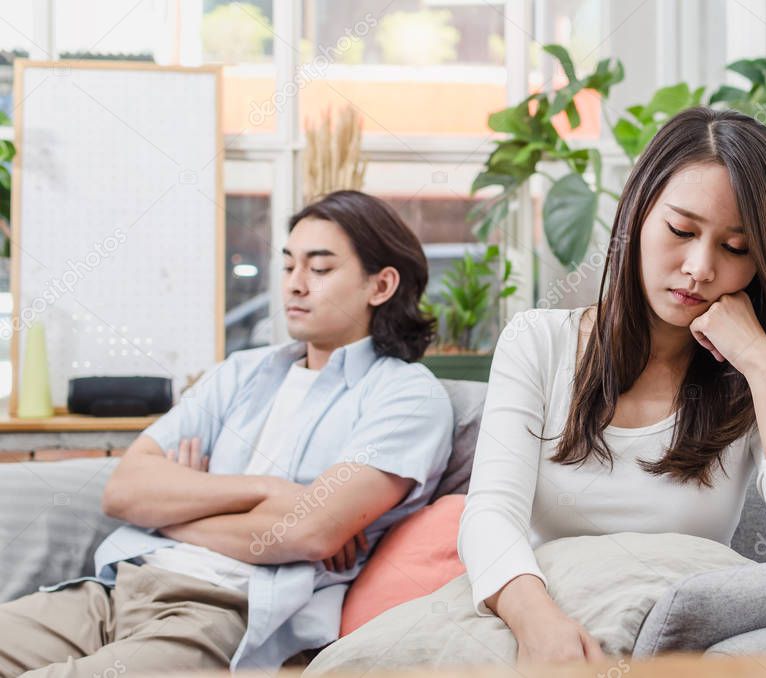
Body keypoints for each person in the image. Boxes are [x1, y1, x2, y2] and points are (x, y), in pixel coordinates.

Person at [458, 107, 766, 665]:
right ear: (636, 214)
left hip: (673, 646)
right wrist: (541, 626)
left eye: (736, 248)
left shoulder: (765, 374)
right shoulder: (537, 342)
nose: (699, 267)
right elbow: (489, 515)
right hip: (546, 624)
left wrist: (764, 367)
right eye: (681, 230)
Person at [0, 190, 454, 676]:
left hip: (221, 612)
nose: (295, 286)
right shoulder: (241, 372)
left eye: (319, 270)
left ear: (380, 285)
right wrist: (268, 490)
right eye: (288, 266)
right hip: (120, 585)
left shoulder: (406, 397)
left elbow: (308, 531)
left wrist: (174, 507)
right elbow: (123, 491)